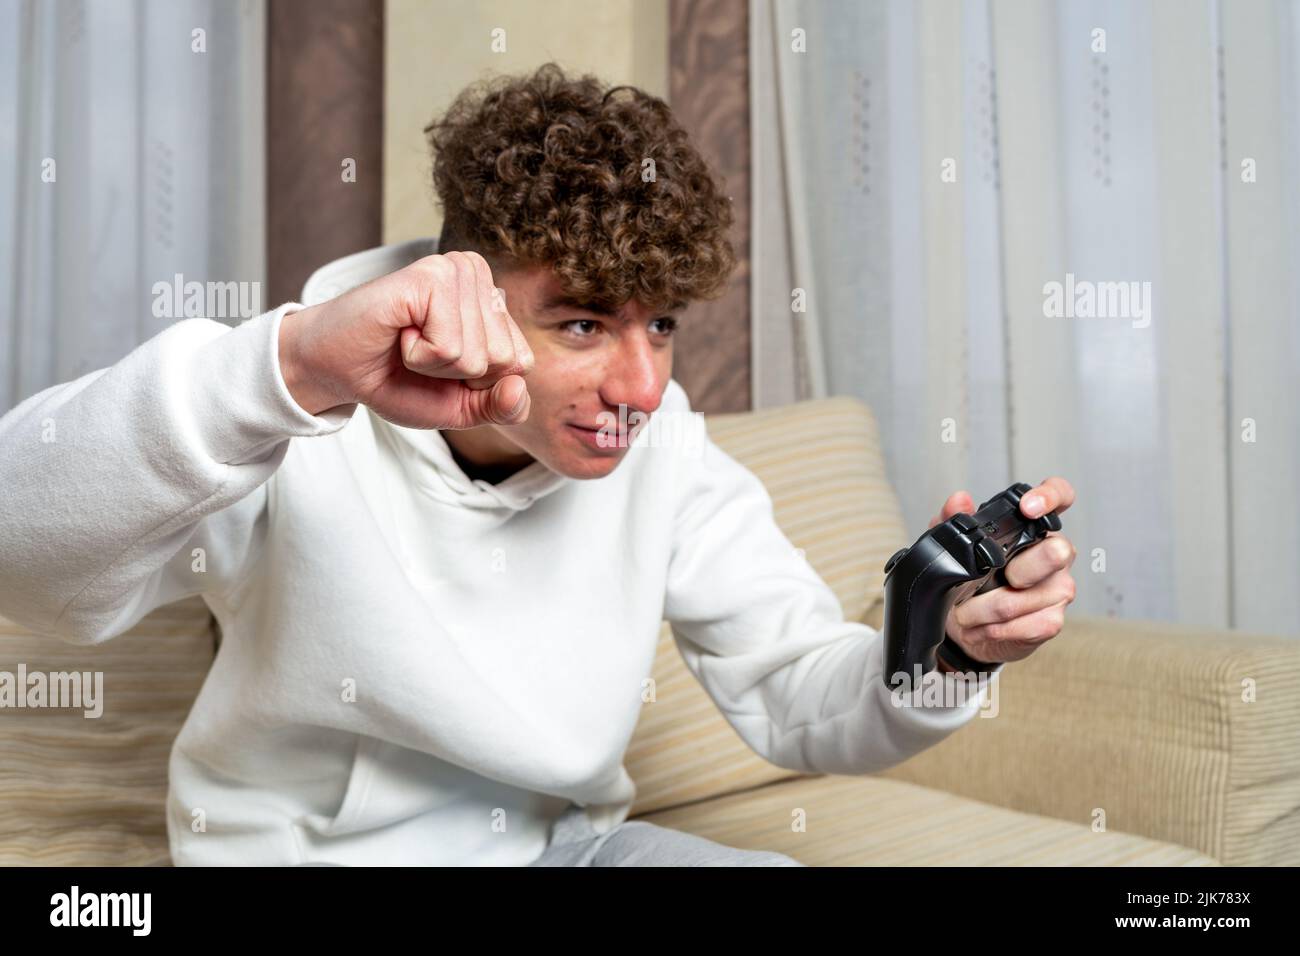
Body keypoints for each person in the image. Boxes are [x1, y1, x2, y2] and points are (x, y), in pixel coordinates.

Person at [0, 63, 1077, 866]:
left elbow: (794, 687)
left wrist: (936, 647)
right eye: (579, 323)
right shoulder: (287, 416)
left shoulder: (668, 448)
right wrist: (285, 366)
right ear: (459, 286)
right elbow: (25, 557)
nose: (642, 384)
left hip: (568, 853)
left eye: (658, 323)